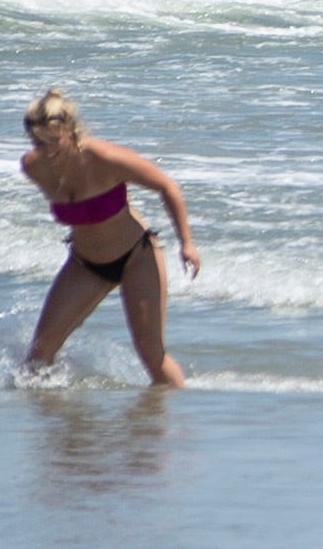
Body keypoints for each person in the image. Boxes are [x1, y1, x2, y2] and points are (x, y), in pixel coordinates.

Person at [14, 88, 201, 386]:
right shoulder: (33, 167)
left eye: (52, 142)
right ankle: (48, 423)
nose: (45, 149)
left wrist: (187, 243)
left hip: (136, 257)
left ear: (69, 130)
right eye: (37, 142)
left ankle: (171, 420)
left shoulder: (104, 158)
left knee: (151, 355)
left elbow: (167, 186)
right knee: (39, 354)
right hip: (85, 264)